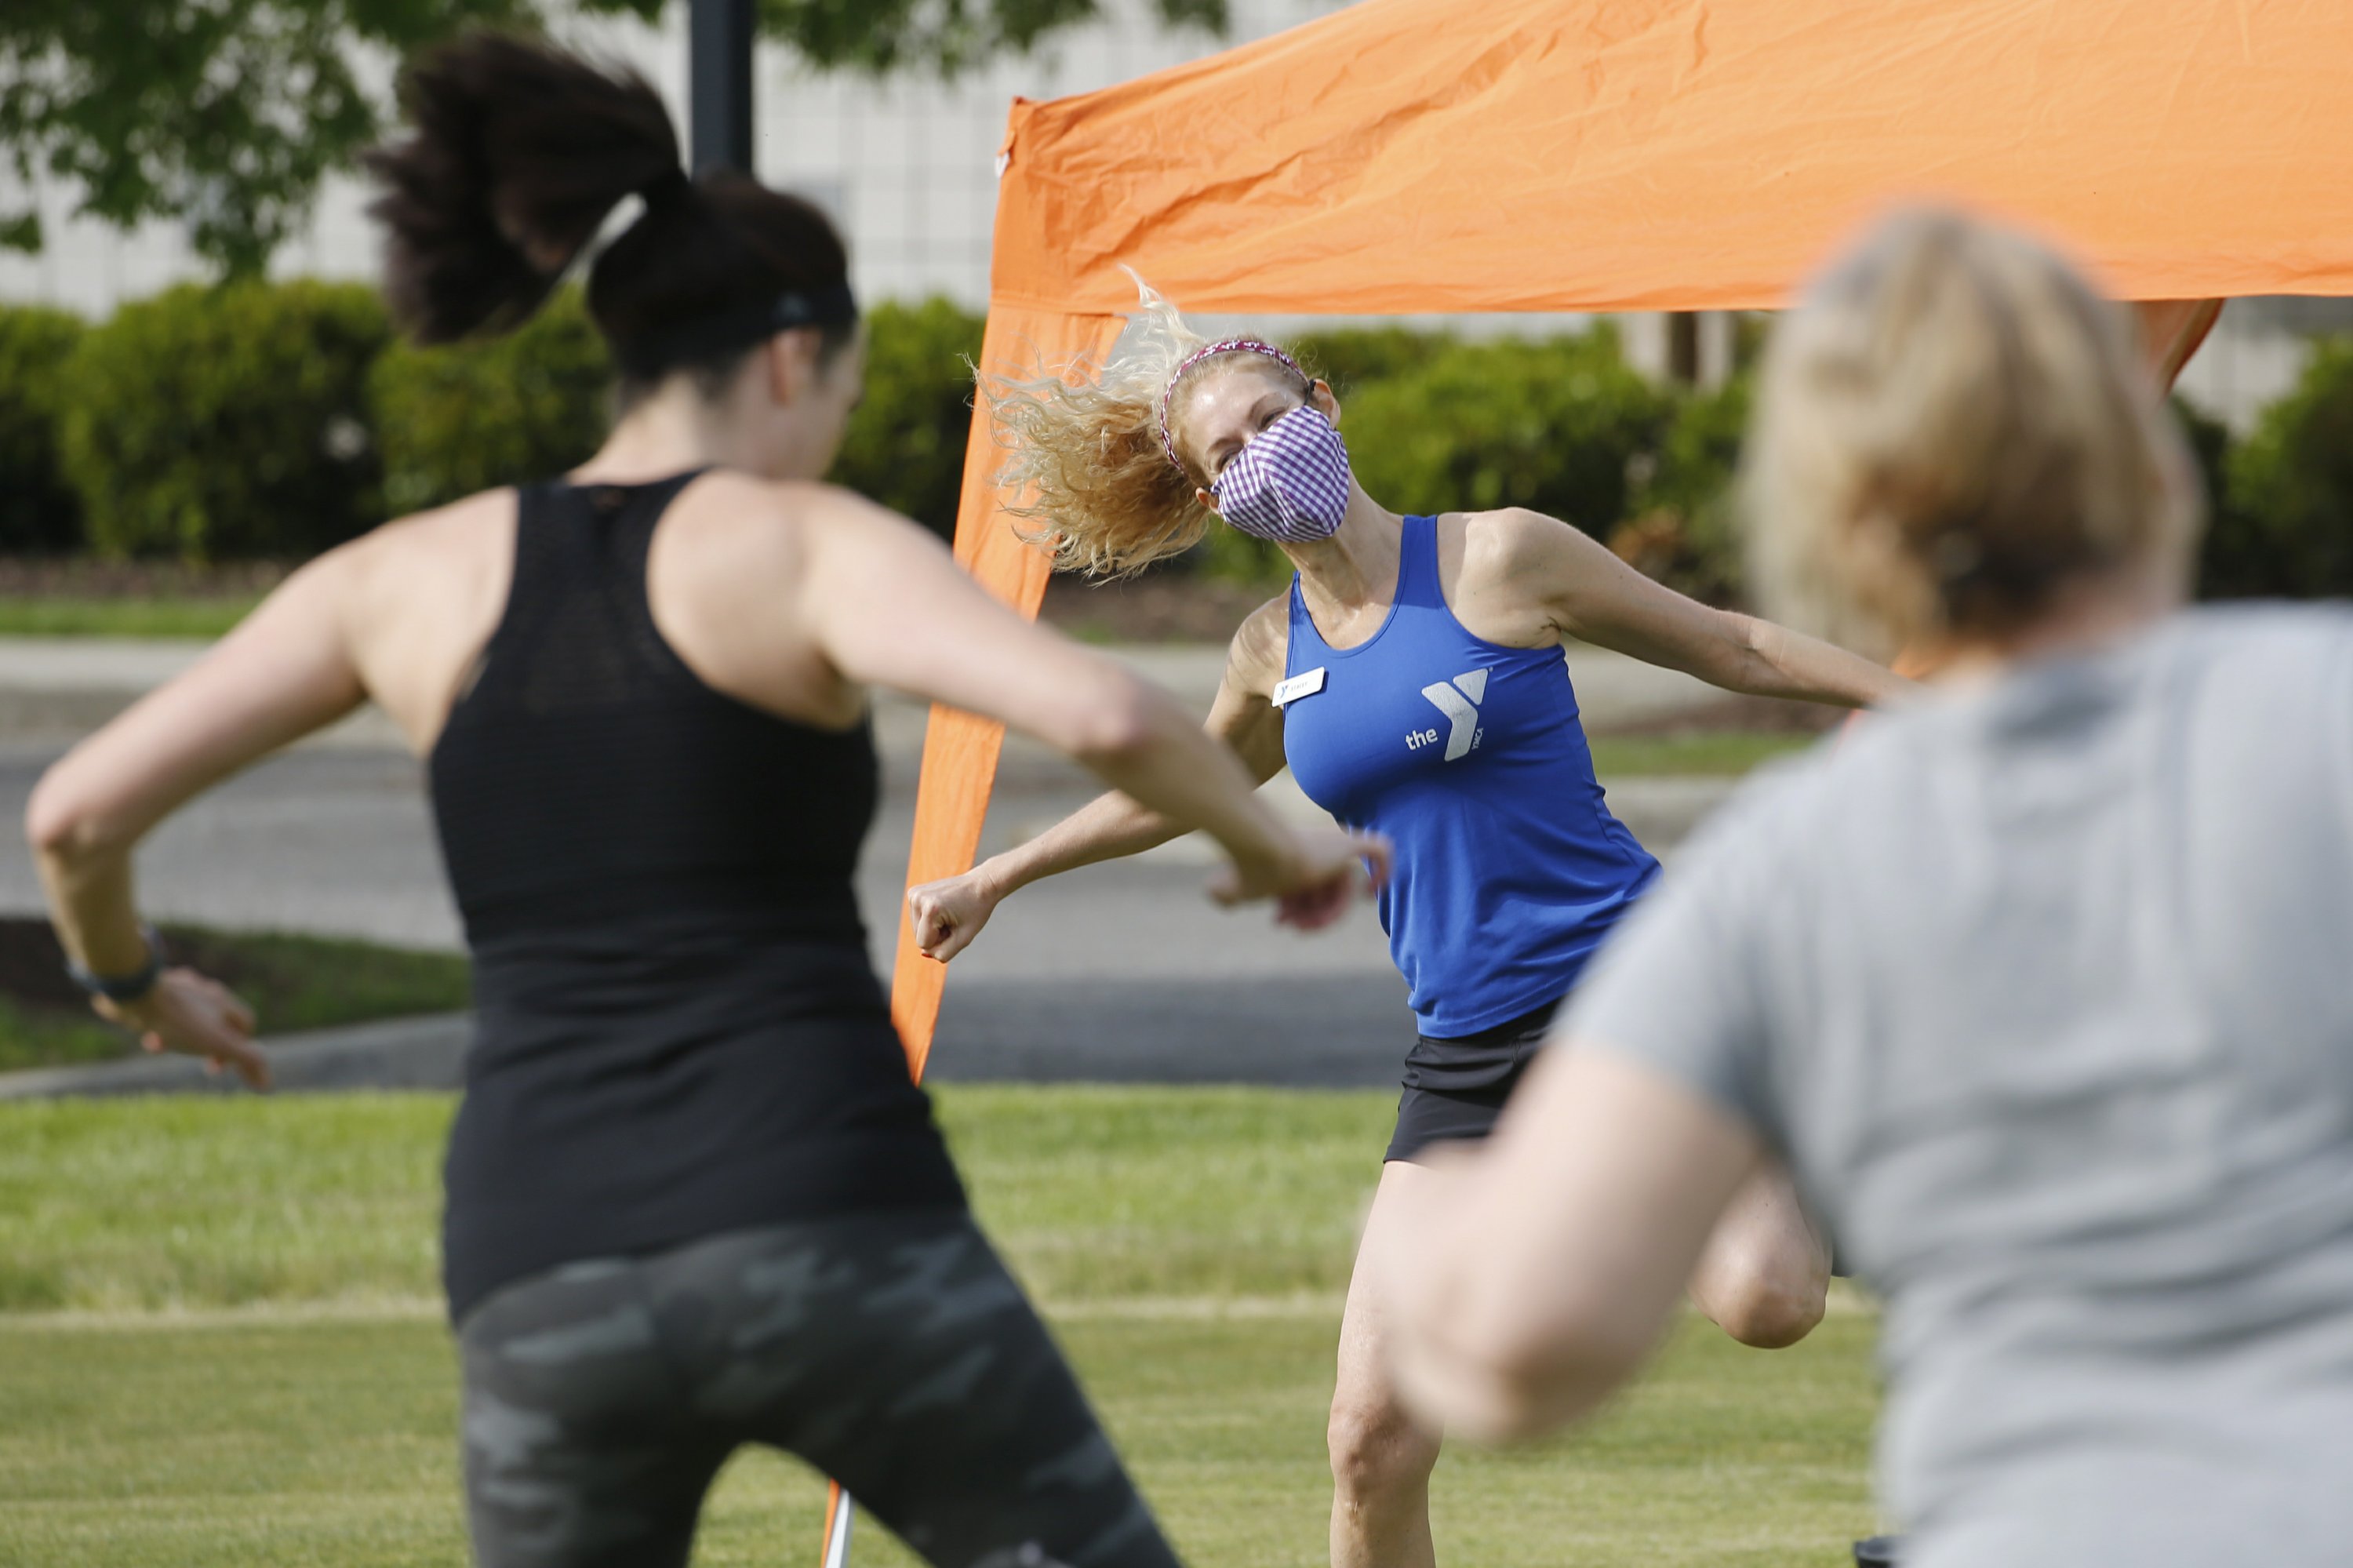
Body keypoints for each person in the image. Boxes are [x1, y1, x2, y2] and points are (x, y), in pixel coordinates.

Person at [24, 36, 1384, 1568]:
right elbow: (1095, 706)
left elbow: (74, 815)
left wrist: (135, 984)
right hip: (832, 1221)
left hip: (545, 1258)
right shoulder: (803, 545)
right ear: (795, 358)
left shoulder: (398, 580)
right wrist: (1270, 841)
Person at [1378, 208, 2353, 1568]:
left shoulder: (1786, 875)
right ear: (2161, 476)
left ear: (1835, 535)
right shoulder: (2325, 713)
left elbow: (1519, 1352)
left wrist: (1435, 1251)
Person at [904, 283, 1911, 1568]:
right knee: (1368, 1441)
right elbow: (1179, 792)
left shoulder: (1499, 557)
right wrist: (999, 875)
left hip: (1638, 994)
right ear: (1213, 498)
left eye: (1276, 419)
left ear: (1324, 408)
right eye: (1230, 452)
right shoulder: (1271, 649)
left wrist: (1932, 711)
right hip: (1467, 1051)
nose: (1264, 453)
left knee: (1770, 1305)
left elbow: (1736, 646)